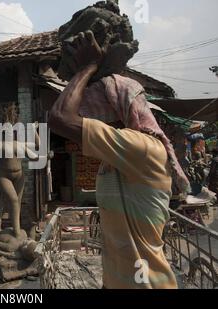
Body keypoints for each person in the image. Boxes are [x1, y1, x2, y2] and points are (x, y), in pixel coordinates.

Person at [48, 30, 190, 289]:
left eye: (95, 113)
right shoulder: (114, 160)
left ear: (119, 110)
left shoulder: (143, 149)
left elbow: (59, 118)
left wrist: (89, 67)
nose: (90, 121)